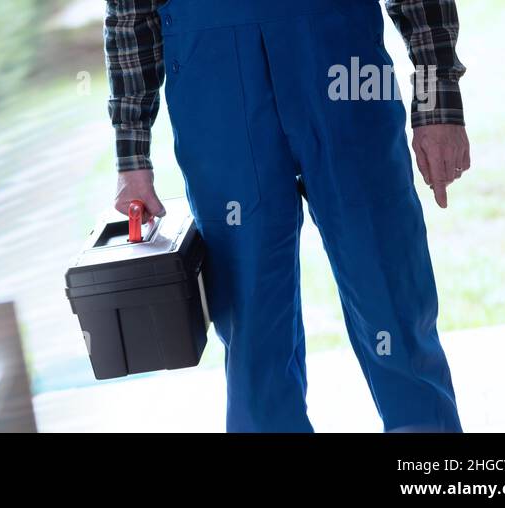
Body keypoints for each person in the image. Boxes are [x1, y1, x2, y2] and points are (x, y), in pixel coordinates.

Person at [104, 0, 468, 432]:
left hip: (345, 70)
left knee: (393, 302)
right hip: (214, 90)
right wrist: (131, 154)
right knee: (253, 333)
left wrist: (438, 101)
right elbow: (130, 12)